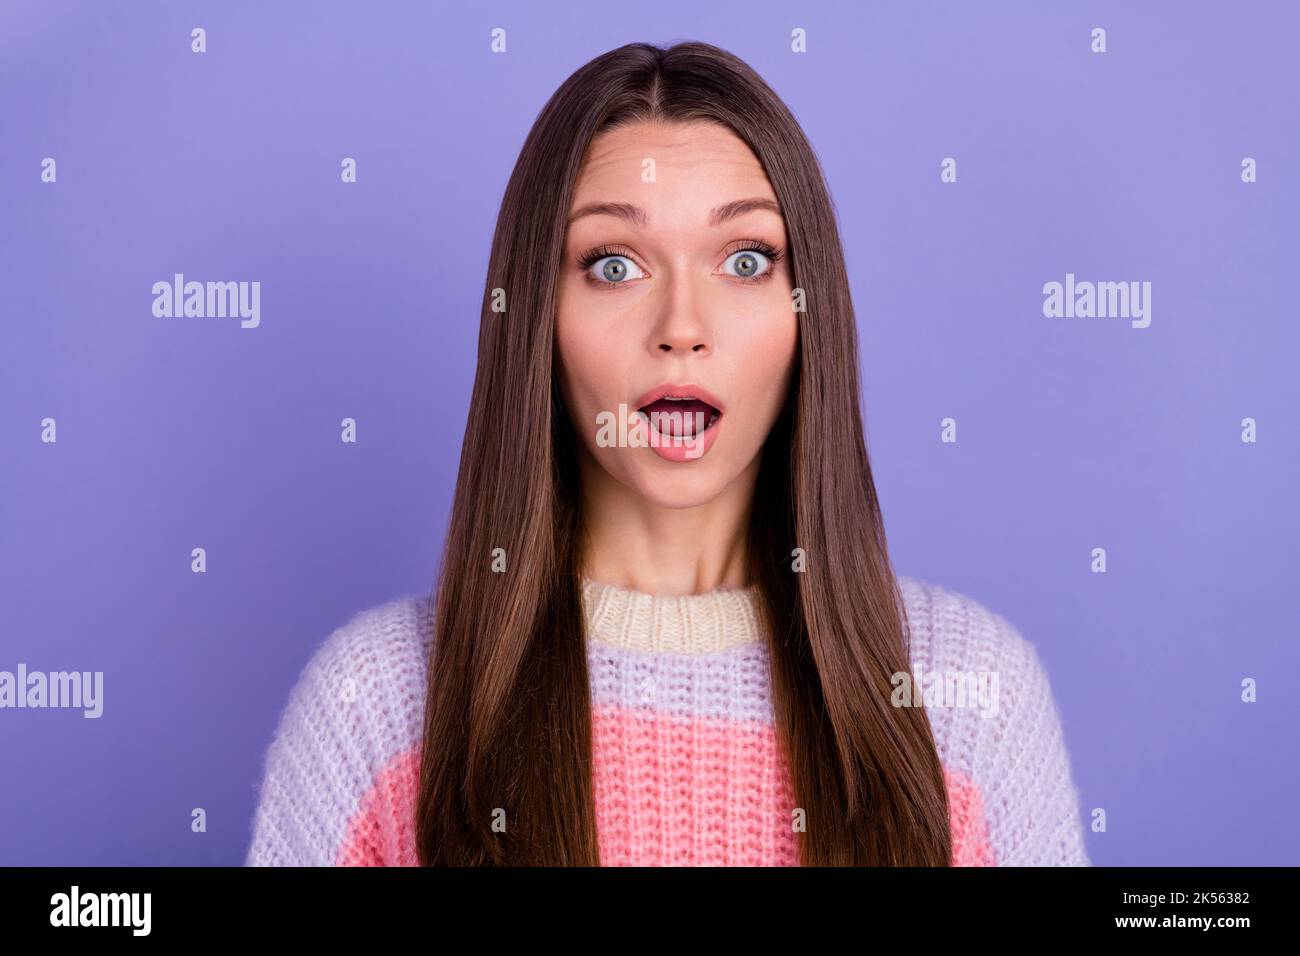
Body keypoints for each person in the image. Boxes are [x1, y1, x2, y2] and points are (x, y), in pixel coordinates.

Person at [246, 40, 1090, 867]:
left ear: (807, 313)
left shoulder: (971, 701)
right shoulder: (377, 705)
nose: (682, 328)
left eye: (746, 260)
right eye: (614, 265)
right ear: (536, 312)